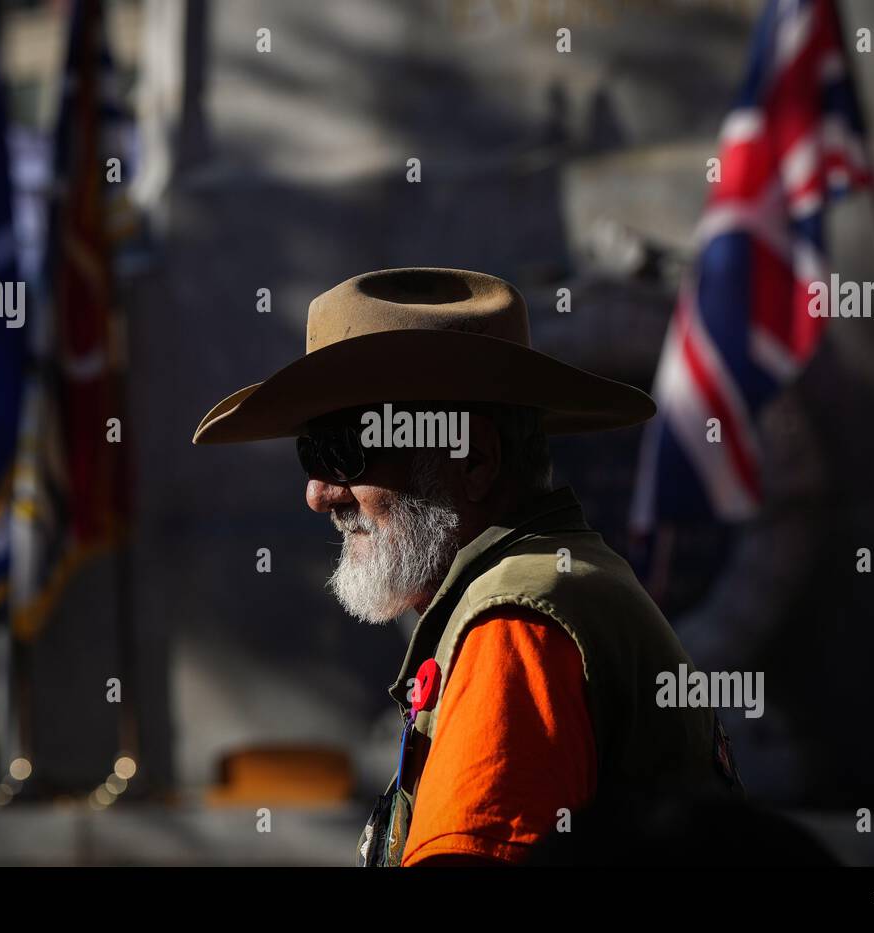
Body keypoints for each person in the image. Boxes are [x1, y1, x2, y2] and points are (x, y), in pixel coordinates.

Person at [193, 267, 743, 866]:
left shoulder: (514, 627)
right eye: (311, 453)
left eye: (344, 451)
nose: (319, 494)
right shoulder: (555, 586)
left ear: (475, 458)